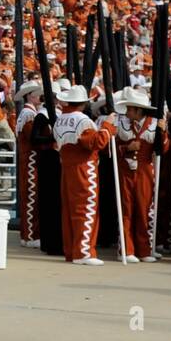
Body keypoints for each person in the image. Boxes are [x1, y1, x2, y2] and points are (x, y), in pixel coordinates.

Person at [105, 88, 166, 262]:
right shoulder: (122, 124)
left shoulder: (154, 124)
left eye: (130, 108)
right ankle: (126, 249)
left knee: (144, 209)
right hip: (125, 171)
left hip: (145, 172)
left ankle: (144, 250)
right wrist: (126, 148)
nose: (127, 112)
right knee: (126, 209)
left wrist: (163, 133)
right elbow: (112, 149)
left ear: (139, 110)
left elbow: (164, 149)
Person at [54, 84, 111, 266]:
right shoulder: (82, 120)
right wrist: (108, 127)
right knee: (85, 209)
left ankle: (72, 251)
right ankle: (84, 252)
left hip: (68, 168)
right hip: (84, 168)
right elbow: (95, 142)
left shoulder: (60, 119)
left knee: (70, 210)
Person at [14, 81, 44, 248]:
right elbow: (32, 139)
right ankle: (31, 235)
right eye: (37, 94)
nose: (40, 96)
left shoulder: (25, 113)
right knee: (32, 196)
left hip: (27, 159)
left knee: (28, 197)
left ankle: (27, 234)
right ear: (30, 95)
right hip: (31, 159)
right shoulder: (29, 114)